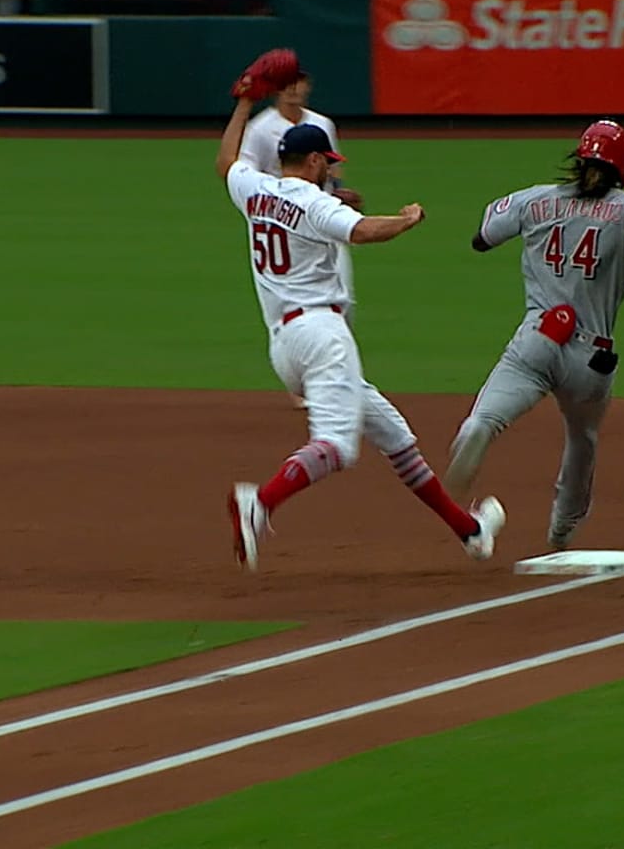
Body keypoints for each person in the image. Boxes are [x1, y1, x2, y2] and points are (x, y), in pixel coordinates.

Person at [215, 99, 506, 571]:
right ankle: (260, 501)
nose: (330, 170)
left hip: (285, 345)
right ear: (312, 161)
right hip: (322, 336)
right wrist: (407, 219)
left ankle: (469, 531)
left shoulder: (255, 188)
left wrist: (245, 103)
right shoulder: (313, 202)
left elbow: (226, 162)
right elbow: (365, 231)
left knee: (394, 434)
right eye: (327, 162)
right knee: (336, 446)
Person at [442, 120, 624, 552]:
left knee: (486, 417)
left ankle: (479, 428)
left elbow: (482, 237)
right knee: (581, 440)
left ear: (578, 160)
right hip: (589, 358)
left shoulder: (535, 200)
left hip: (535, 338)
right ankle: (561, 528)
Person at [235, 48, 361, 410]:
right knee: (292, 302)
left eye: (298, 83)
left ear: (308, 86)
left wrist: (342, 197)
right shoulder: (261, 129)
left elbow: (331, 174)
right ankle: (304, 381)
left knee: (343, 300)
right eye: (286, 84)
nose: (293, 89)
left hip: (324, 218)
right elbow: (245, 171)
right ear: (277, 89)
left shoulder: (322, 125)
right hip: (285, 223)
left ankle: (328, 376)